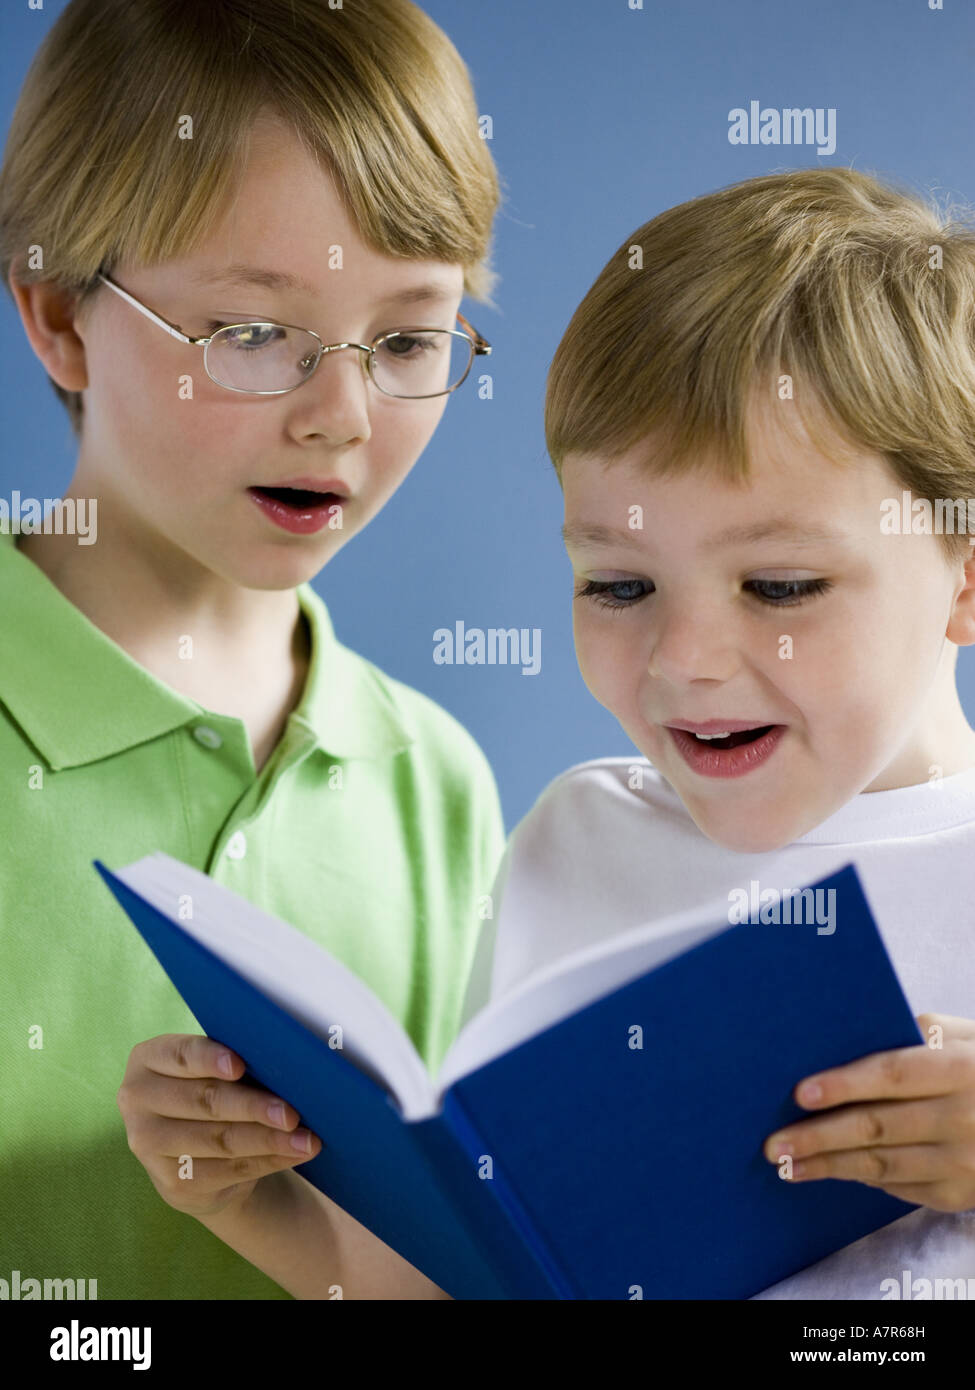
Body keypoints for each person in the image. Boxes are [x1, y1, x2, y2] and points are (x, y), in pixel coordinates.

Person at [0, 0, 504, 1299]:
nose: (338, 417)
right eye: (251, 335)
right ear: (58, 317)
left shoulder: (434, 782)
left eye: (404, 340)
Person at [461, 165, 975, 1299]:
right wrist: (266, 1200)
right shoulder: (570, 844)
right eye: (617, 585)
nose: (684, 660)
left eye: (782, 586)